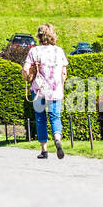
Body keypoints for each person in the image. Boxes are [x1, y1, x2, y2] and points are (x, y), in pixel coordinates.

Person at [23, 23, 68, 160]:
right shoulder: (59, 51)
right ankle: (57, 138)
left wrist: (28, 78)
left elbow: (25, 70)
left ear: (39, 36)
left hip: (38, 90)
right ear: (53, 35)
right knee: (55, 117)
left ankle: (44, 150)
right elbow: (64, 72)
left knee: (40, 119)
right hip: (55, 91)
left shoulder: (34, 51)